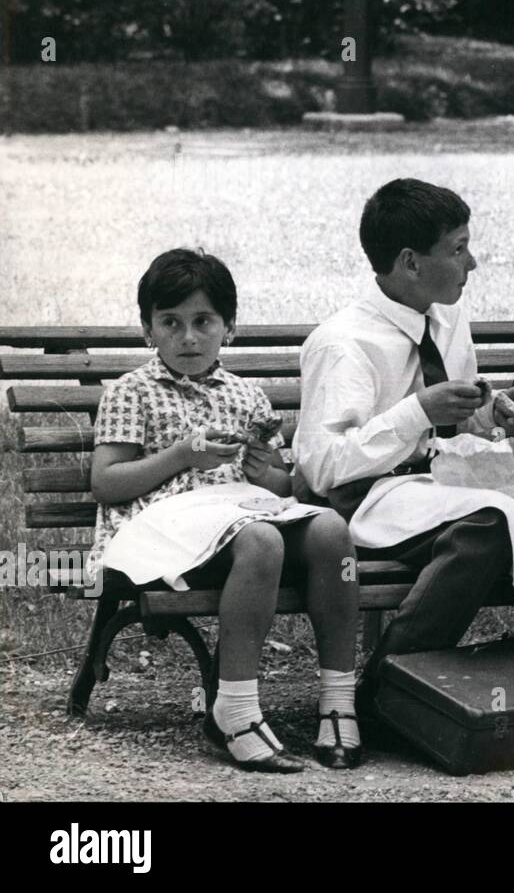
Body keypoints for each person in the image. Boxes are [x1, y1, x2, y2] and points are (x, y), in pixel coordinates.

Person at [293, 178, 514, 751]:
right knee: (488, 525)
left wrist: (495, 412)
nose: (473, 262)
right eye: (458, 249)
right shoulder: (343, 342)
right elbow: (323, 465)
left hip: (441, 486)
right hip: (369, 499)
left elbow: (460, 421)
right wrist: (416, 412)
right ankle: (380, 693)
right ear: (411, 262)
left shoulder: (446, 317)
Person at [89, 249, 361, 773]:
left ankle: (338, 699)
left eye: (203, 322)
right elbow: (106, 482)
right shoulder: (131, 393)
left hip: (238, 524)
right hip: (163, 534)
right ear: (148, 330)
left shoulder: (247, 396)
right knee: (262, 537)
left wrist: (265, 471)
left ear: (228, 329)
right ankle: (233, 712)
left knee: (330, 528)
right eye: (171, 323)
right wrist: (181, 455)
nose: (188, 337)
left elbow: (281, 485)